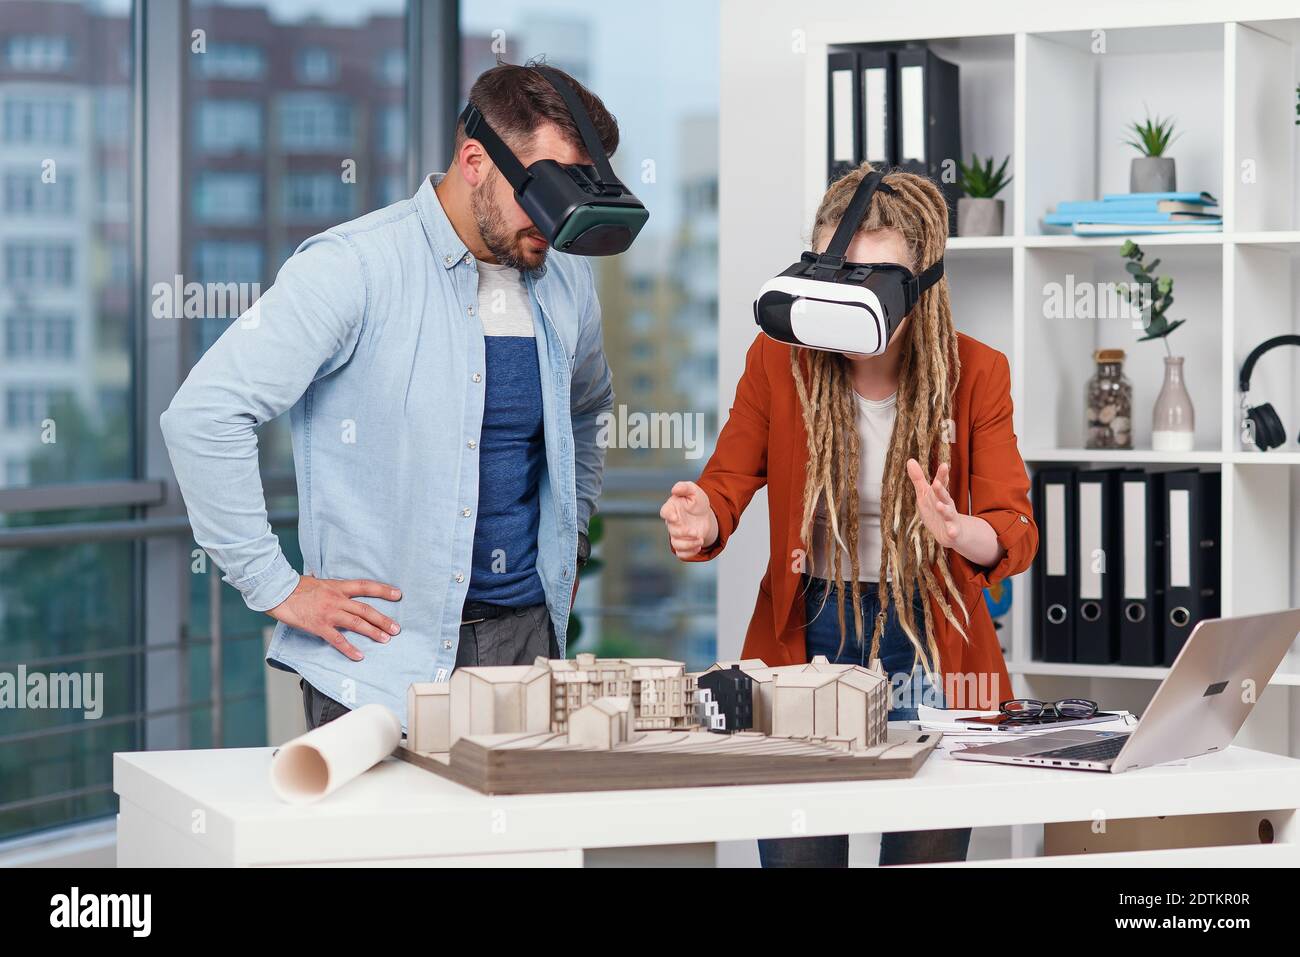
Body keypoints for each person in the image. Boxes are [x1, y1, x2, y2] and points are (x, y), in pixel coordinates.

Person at [161, 63, 616, 731]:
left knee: (511, 842)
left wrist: (569, 536)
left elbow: (587, 407)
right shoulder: (353, 267)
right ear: (475, 162)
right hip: (377, 666)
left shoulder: (564, 281)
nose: (557, 220)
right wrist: (275, 585)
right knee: (383, 841)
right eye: (545, 191)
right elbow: (204, 415)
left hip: (524, 652)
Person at [660, 162, 1038, 867]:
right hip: (813, 631)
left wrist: (959, 532)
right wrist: (703, 517)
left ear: (921, 282)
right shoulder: (781, 360)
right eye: (839, 274)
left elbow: (1012, 525)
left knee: (926, 845)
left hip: (929, 632)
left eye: (877, 278)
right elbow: (728, 479)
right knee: (801, 846)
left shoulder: (977, 372)